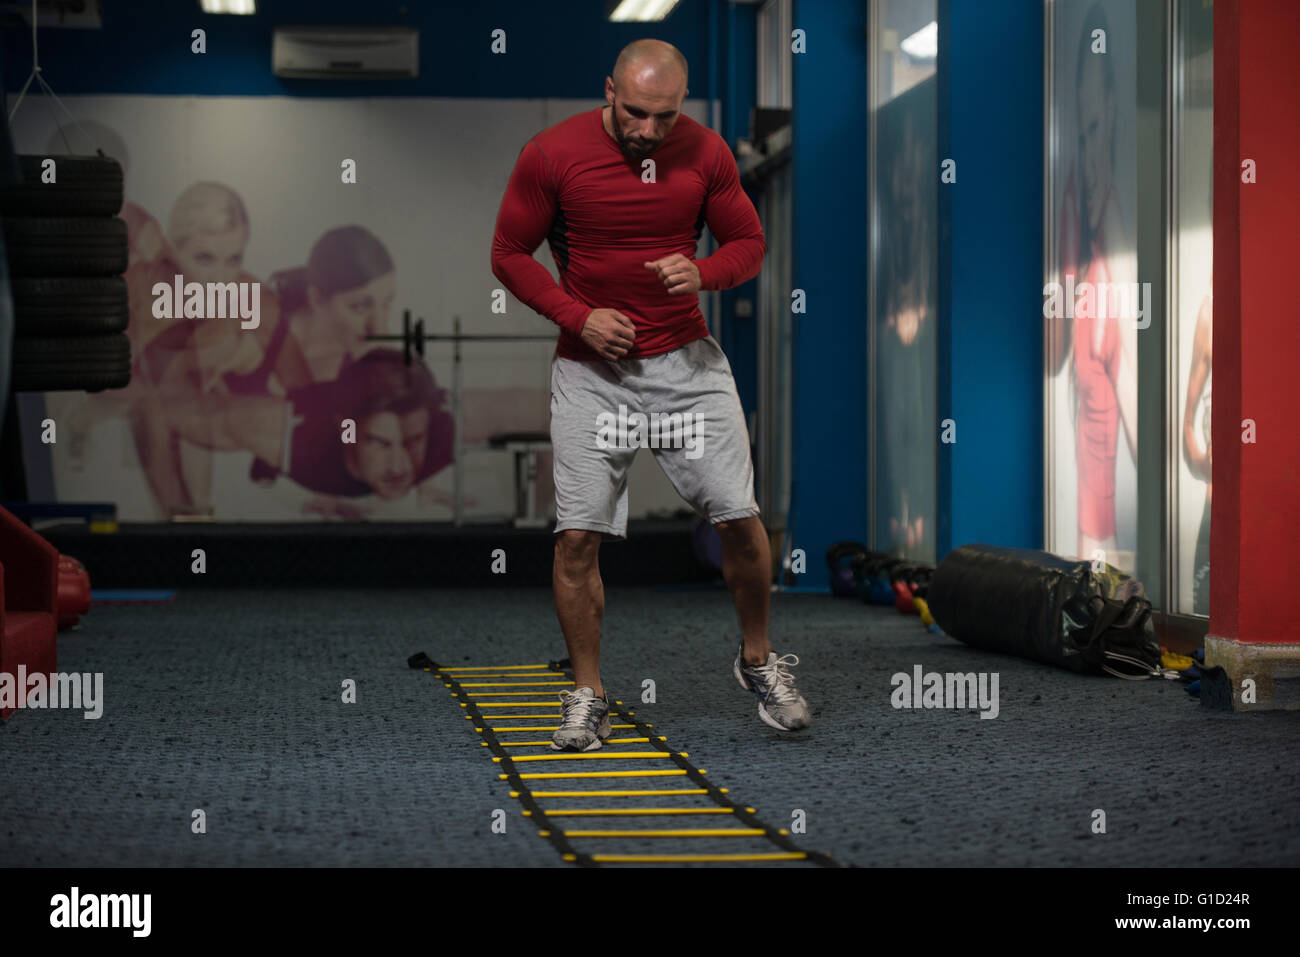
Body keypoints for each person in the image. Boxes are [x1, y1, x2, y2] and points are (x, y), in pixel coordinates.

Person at [491, 38, 811, 751]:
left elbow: (748, 245)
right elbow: (508, 253)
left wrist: (703, 272)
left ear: (681, 106)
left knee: (739, 517)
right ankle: (587, 692)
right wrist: (578, 316)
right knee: (578, 537)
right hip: (591, 373)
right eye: (635, 112)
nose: (647, 131)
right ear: (609, 90)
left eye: (663, 117)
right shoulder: (551, 154)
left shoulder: (707, 152)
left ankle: (757, 660)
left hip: (685, 371)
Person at [157, 348, 452, 512]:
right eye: (380, 443)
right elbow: (168, 411)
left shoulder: (446, 424)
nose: (399, 468)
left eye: (413, 440)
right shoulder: (273, 430)